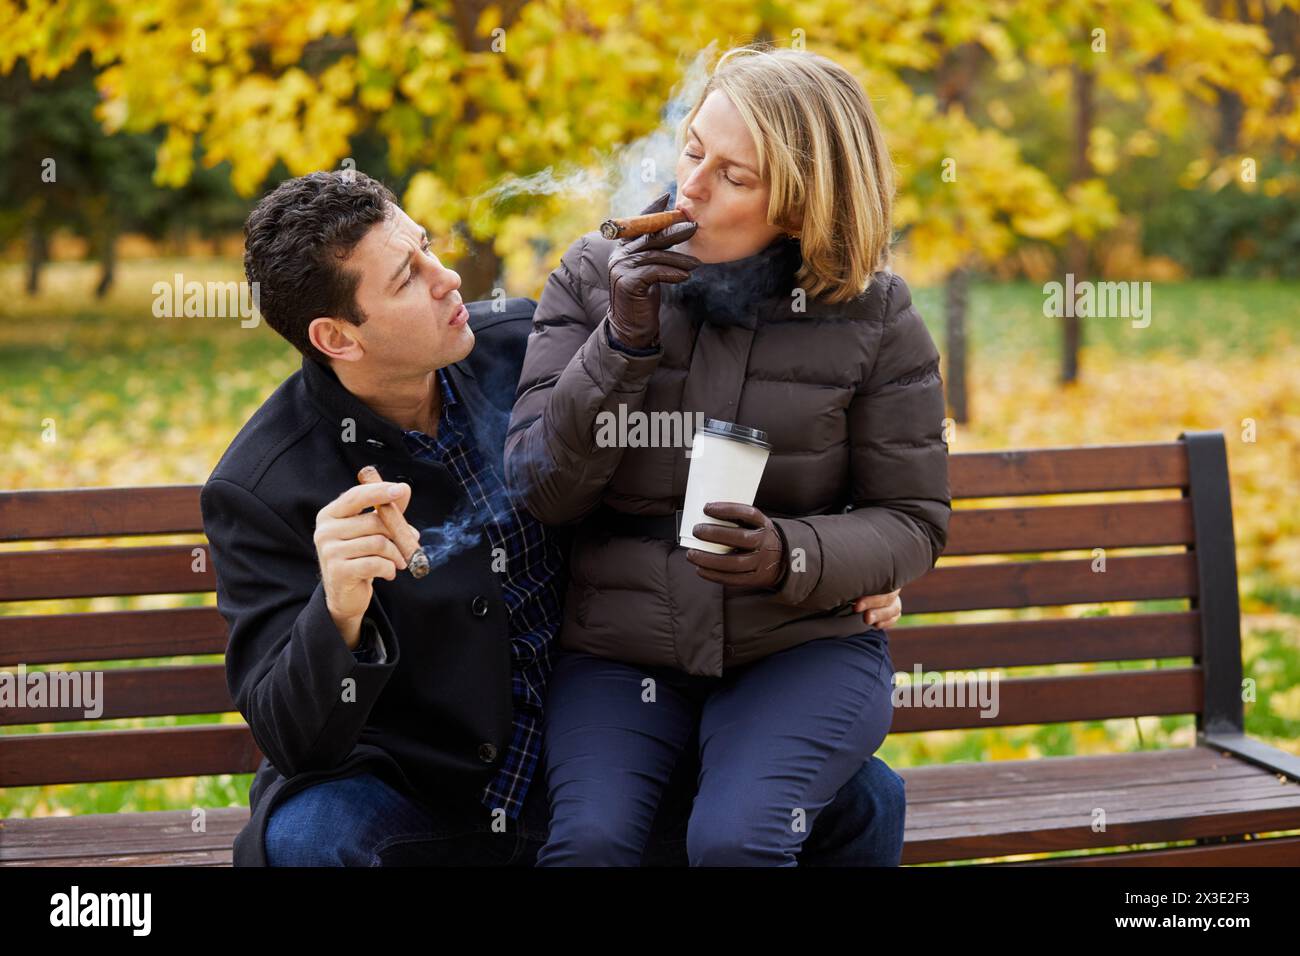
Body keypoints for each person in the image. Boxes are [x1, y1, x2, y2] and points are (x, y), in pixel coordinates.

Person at [202, 169, 911, 866]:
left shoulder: (530, 347)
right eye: (405, 278)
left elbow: (730, 446)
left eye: (426, 246)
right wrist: (337, 615)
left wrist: (835, 556)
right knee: (309, 841)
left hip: (612, 753)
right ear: (338, 338)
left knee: (864, 799)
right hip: (428, 800)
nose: (446, 276)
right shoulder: (263, 485)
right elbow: (295, 741)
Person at [506, 45, 951, 866]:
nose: (693, 188)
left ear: (803, 204)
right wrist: (621, 343)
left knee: (737, 844)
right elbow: (541, 486)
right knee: (591, 846)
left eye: (735, 177)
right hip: (620, 653)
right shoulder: (596, 276)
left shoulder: (875, 315)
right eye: (693, 148)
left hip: (799, 648)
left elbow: (913, 521)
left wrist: (793, 554)